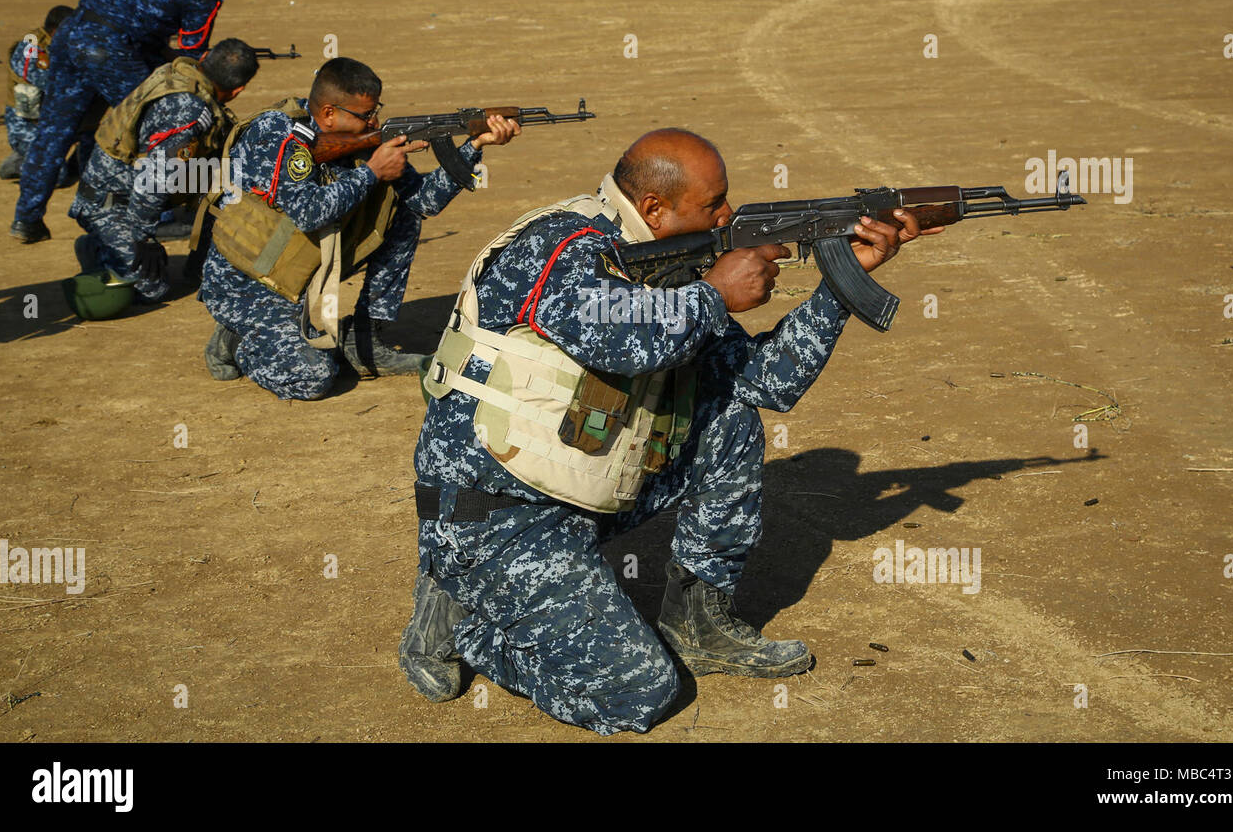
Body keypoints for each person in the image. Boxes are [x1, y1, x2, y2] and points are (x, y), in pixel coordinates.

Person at [399, 128, 944, 735]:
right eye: (713, 204)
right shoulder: (561, 245)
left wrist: (842, 284)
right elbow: (614, 336)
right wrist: (714, 296)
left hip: (576, 483)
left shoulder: (676, 264)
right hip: (496, 509)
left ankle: (700, 626)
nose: (727, 216)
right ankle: (467, 618)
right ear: (654, 208)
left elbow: (765, 381)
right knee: (639, 694)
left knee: (729, 416)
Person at [199, 57, 520, 399]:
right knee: (314, 378)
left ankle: (365, 339)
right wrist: (372, 173)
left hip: (298, 271)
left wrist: (473, 147)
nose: (375, 122)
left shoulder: (363, 144)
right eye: (365, 115)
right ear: (328, 114)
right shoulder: (278, 135)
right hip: (248, 285)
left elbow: (424, 201)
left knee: (403, 214)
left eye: (376, 111)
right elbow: (307, 212)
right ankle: (236, 340)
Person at [11, 0, 259, 244]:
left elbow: (131, 1)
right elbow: (192, 57)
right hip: (111, 53)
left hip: (74, 33)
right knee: (160, 123)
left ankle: (27, 218)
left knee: (54, 133)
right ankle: (159, 217)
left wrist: (156, 52)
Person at [67, 38, 259, 307]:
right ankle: (97, 249)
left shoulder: (182, 74)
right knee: (150, 290)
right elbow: (154, 179)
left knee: (228, 184)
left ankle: (200, 266)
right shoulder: (188, 111)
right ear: (237, 90)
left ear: (204, 60)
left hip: (132, 193)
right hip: (108, 204)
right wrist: (143, 237)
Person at [0, 5, 79, 185]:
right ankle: (19, 163)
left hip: (53, 120)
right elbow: (46, 82)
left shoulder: (66, 44)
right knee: (56, 177)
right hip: (26, 123)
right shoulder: (30, 46)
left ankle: (71, 163)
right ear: (55, 30)